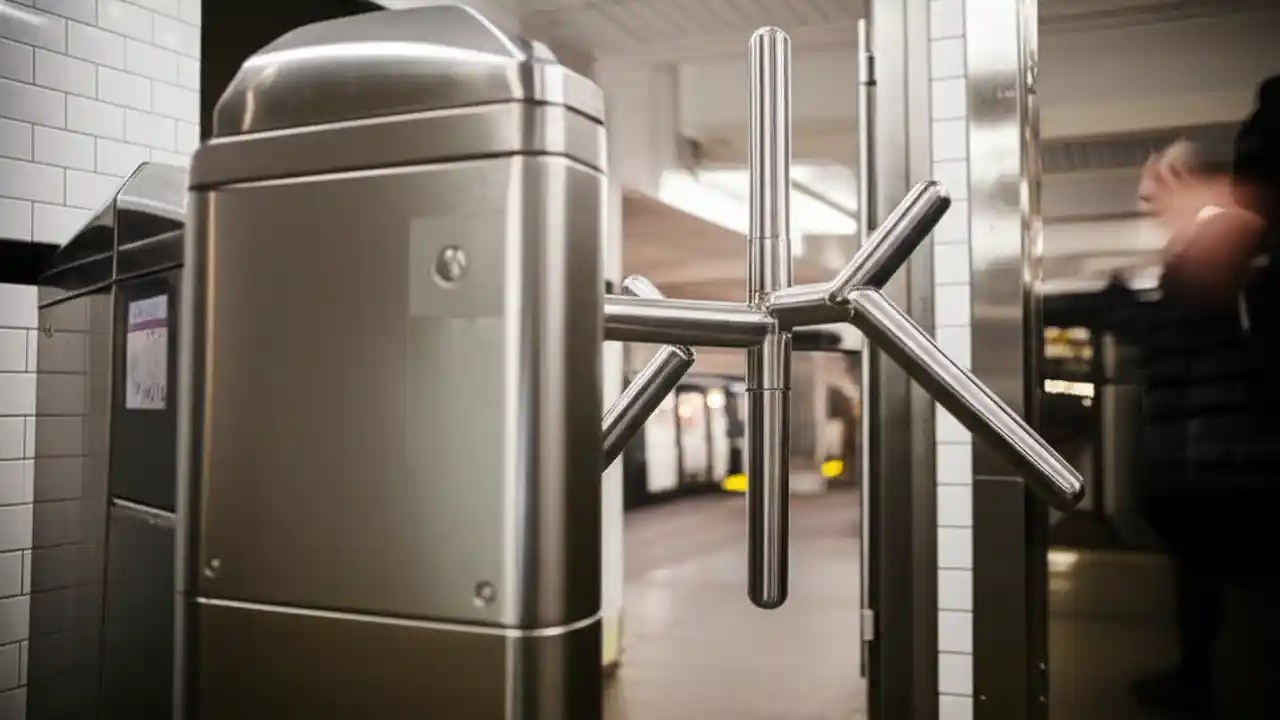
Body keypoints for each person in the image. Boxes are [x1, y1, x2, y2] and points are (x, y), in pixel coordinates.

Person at [1128, 77, 1280, 716]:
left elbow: (1189, 320)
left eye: (1157, 188)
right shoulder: (1209, 243)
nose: (1150, 203)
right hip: (1202, 457)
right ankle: (1197, 676)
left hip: (1219, 458)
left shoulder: (1222, 238)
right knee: (1203, 580)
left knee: (1221, 582)